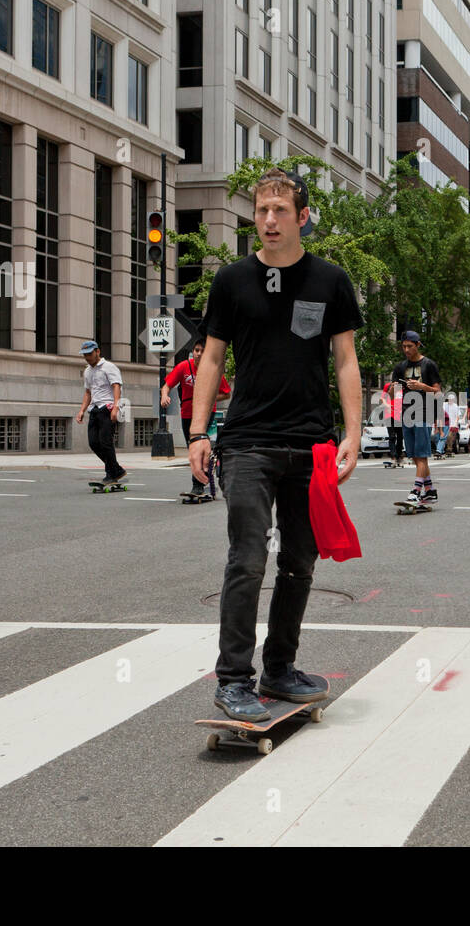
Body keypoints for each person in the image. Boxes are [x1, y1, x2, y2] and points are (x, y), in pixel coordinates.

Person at [188, 167, 363, 722]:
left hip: (311, 444)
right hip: (247, 442)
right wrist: (197, 432)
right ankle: (233, 679)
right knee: (246, 559)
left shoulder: (331, 281)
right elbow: (211, 359)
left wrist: (353, 436)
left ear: (302, 217)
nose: (267, 219)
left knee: (300, 561)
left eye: (279, 211)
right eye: (261, 210)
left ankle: (280, 669)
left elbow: (346, 361)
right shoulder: (232, 281)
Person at [161, 338, 231, 496]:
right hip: (187, 412)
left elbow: (226, 394)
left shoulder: (212, 370)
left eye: (202, 351)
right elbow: (166, 385)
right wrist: (164, 396)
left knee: (198, 445)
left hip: (207, 412)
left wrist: (208, 397)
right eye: (196, 350)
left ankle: (198, 485)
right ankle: (205, 474)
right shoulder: (184, 367)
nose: (198, 354)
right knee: (191, 447)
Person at [390, 331, 443, 503]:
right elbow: (394, 395)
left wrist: (421, 386)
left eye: (410, 346)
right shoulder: (400, 367)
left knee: (421, 455)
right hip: (406, 414)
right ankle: (430, 490)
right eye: (404, 346)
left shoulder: (429, 365)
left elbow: (438, 391)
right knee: (414, 455)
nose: (406, 350)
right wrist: (393, 389)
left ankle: (416, 490)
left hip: (424, 412)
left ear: (418, 345)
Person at [76, 341, 126, 484]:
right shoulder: (87, 371)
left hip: (107, 407)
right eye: (85, 355)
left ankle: (110, 474)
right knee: (93, 442)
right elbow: (87, 392)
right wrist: (81, 410)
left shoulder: (109, 367)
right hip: (94, 409)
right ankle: (116, 469)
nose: (87, 357)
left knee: (106, 442)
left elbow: (117, 387)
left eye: (90, 354)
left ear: (97, 351)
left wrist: (115, 408)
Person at [382, 380, 405, 468]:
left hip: (399, 416)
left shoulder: (403, 388)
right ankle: (393, 456)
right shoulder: (388, 386)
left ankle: (399, 456)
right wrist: (386, 405)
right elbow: (383, 398)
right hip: (389, 415)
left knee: (400, 437)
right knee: (392, 436)